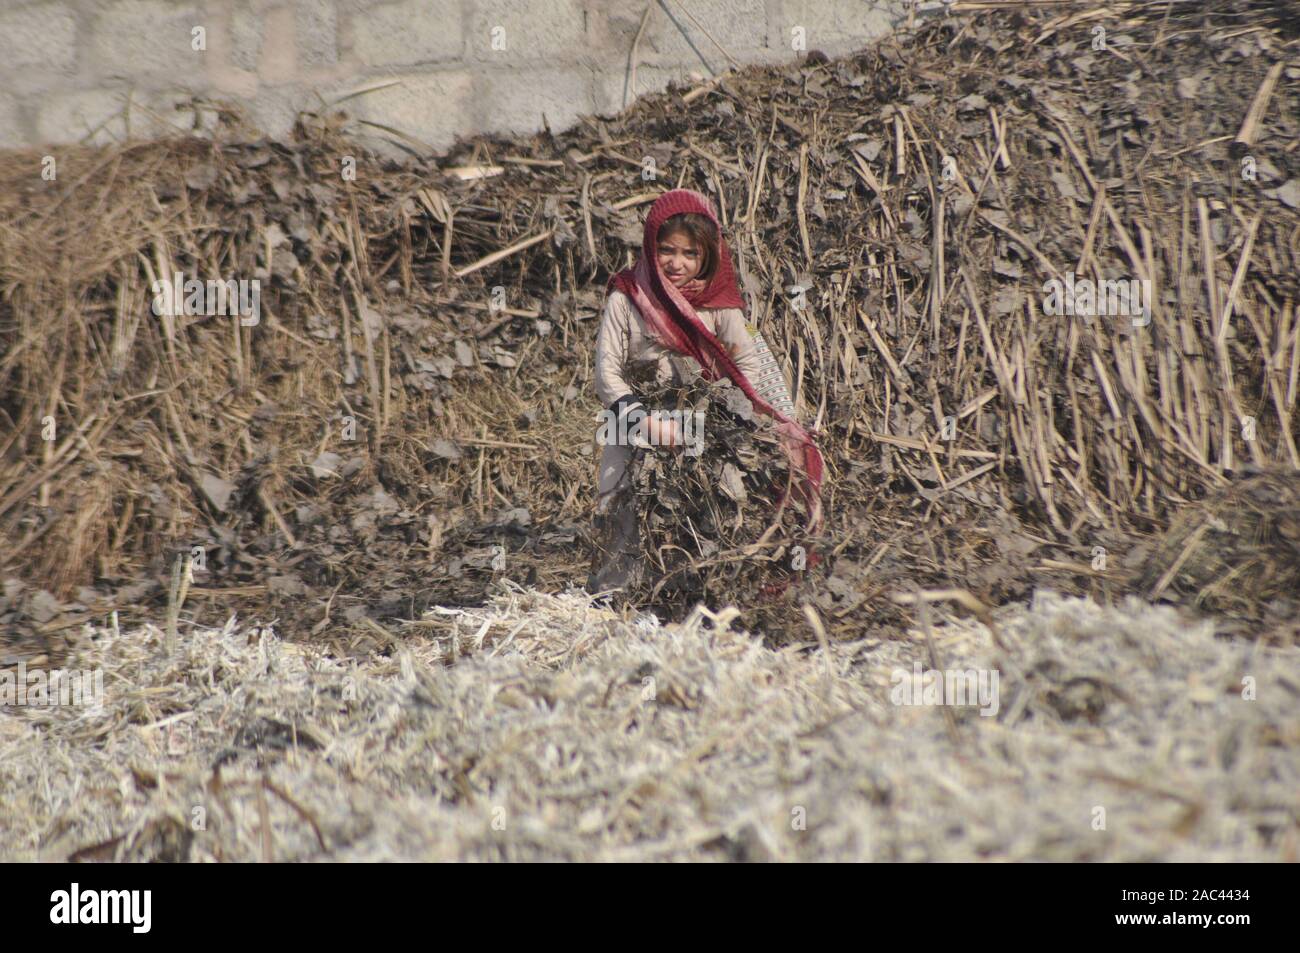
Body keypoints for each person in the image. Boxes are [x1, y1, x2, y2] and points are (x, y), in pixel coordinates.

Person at [586, 188, 824, 594]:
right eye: (666, 250)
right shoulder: (627, 295)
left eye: (690, 254)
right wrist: (644, 421)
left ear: (707, 256)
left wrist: (729, 413)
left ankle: (699, 591)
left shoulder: (720, 303)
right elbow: (606, 371)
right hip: (634, 415)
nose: (676, 264)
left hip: (704, 417)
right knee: (617, 498)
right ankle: (615, 597)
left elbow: (747, 363)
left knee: (706, 506)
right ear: (650, 246)